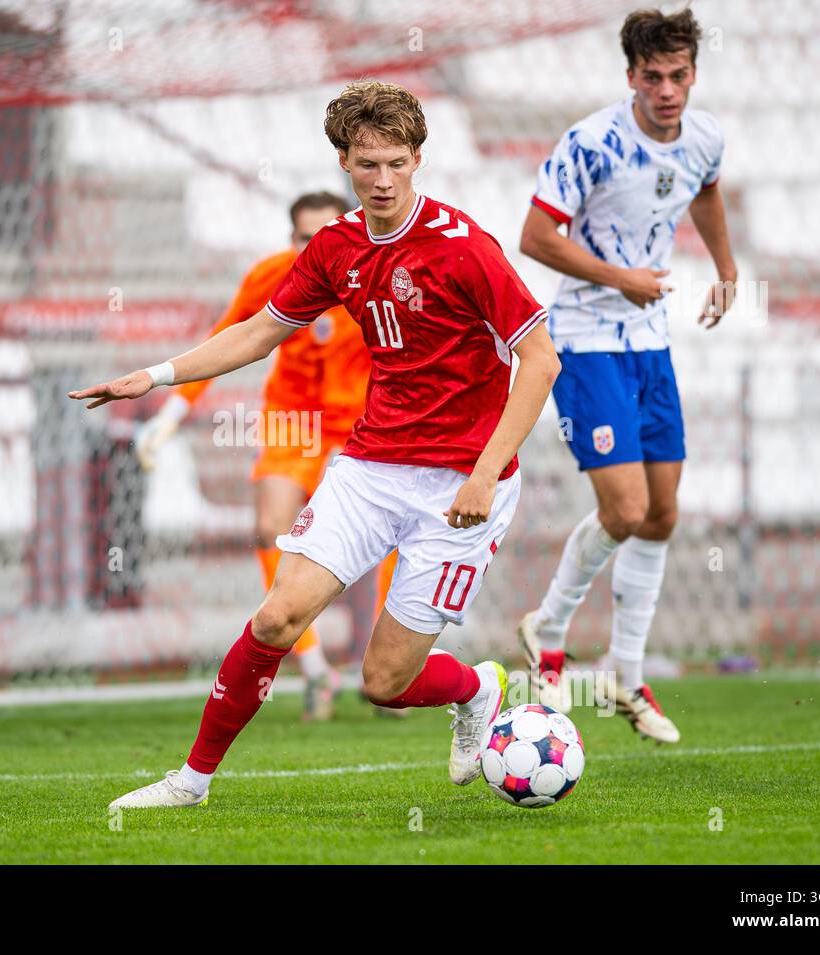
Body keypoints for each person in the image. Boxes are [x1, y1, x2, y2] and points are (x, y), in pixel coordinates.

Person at [71, 79, 560, 808]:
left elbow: (542, 358)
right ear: (345, 163)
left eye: (397, 161)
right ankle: (192, 781)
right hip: (371, 466)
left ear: (419, 159)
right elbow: (261, 330)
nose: (384, 178)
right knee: (276, 615)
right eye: (368, 164)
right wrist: (157, 375)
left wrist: (485, 473)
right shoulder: (336, 247)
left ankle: (477, 686)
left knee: (384, 683)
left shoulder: (465, 250)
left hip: (465, 483)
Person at [515, 7, 737, 743]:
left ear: (693, 74)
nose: (667, 90)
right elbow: (535, 235)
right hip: (584, 340)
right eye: (653, 77)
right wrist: (621, 278)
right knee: (625, 509)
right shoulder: (593, 141)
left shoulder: (706, 136)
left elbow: (703, 188)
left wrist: (726, 269)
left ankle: (624, 670)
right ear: (631, 76)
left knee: (664, 513)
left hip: (650, 340)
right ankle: (547, 628)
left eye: (678, 76)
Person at [133, 191, 398, 720]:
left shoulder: (377, 273)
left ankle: (390, 666)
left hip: (365, 419)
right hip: (294, 419)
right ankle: (315, 667)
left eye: (326, 232)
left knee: (389, 533)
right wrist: (169, 415)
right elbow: (225, 337)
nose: (316, 244)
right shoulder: (270, 276)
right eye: (305, 236)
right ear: (292, 239)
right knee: (271, 525)